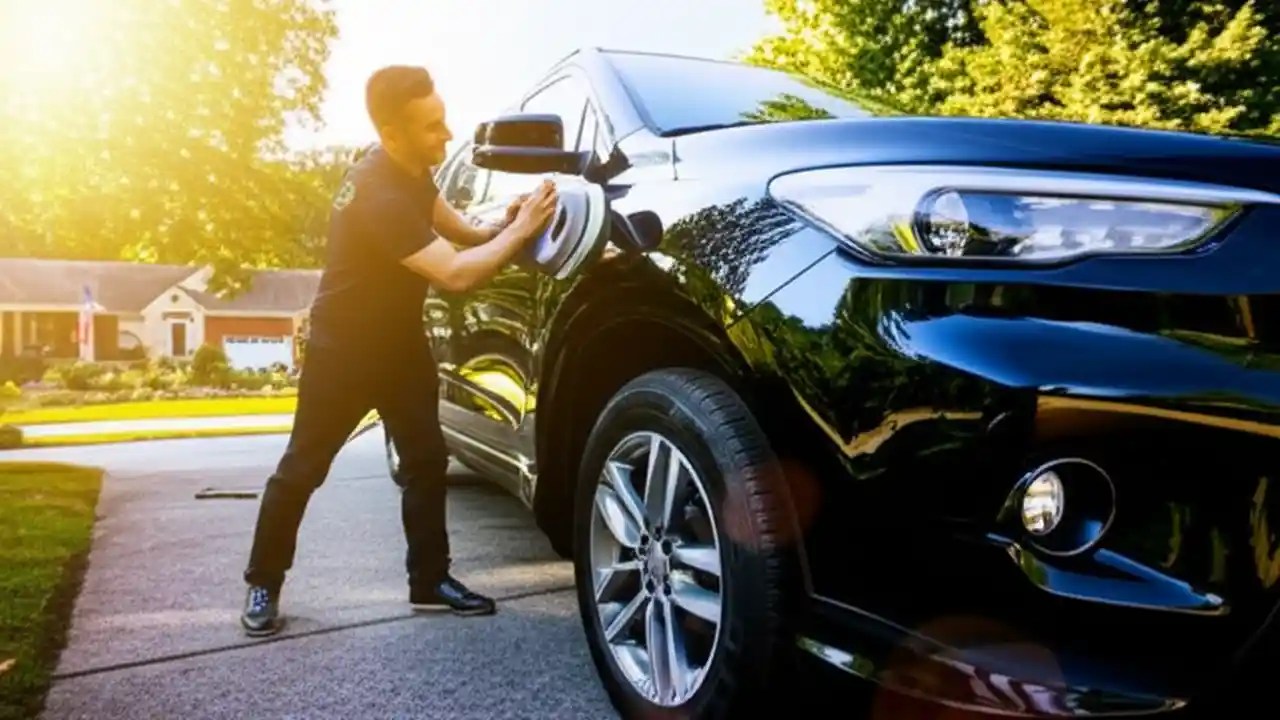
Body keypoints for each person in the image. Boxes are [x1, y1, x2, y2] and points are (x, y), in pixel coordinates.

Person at [239, 64, 558, 636]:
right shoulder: (376, 194)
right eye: (432, 125)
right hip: (343, 351)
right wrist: (519, 233)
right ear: (393, 135)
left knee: (426, 463)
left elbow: (461, 234)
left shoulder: (413, 171)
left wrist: (505, 223)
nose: (447, 132)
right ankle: (263, 582)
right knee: (301, 470)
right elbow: (457, 275)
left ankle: (429, 582)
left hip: (401, 347)